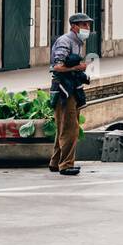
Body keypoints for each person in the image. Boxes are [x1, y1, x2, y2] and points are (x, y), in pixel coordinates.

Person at [49, 12, 94, 176]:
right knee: (70, 129)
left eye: (88, 25)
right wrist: (76, 68)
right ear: (74, 26)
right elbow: (57, 66)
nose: (87, 28)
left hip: (73, 88)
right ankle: (66, 165)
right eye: (84, 25)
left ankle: (56, 162)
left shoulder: (79, 42)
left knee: (65, 126)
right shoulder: (65, 41)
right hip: (63, 90)